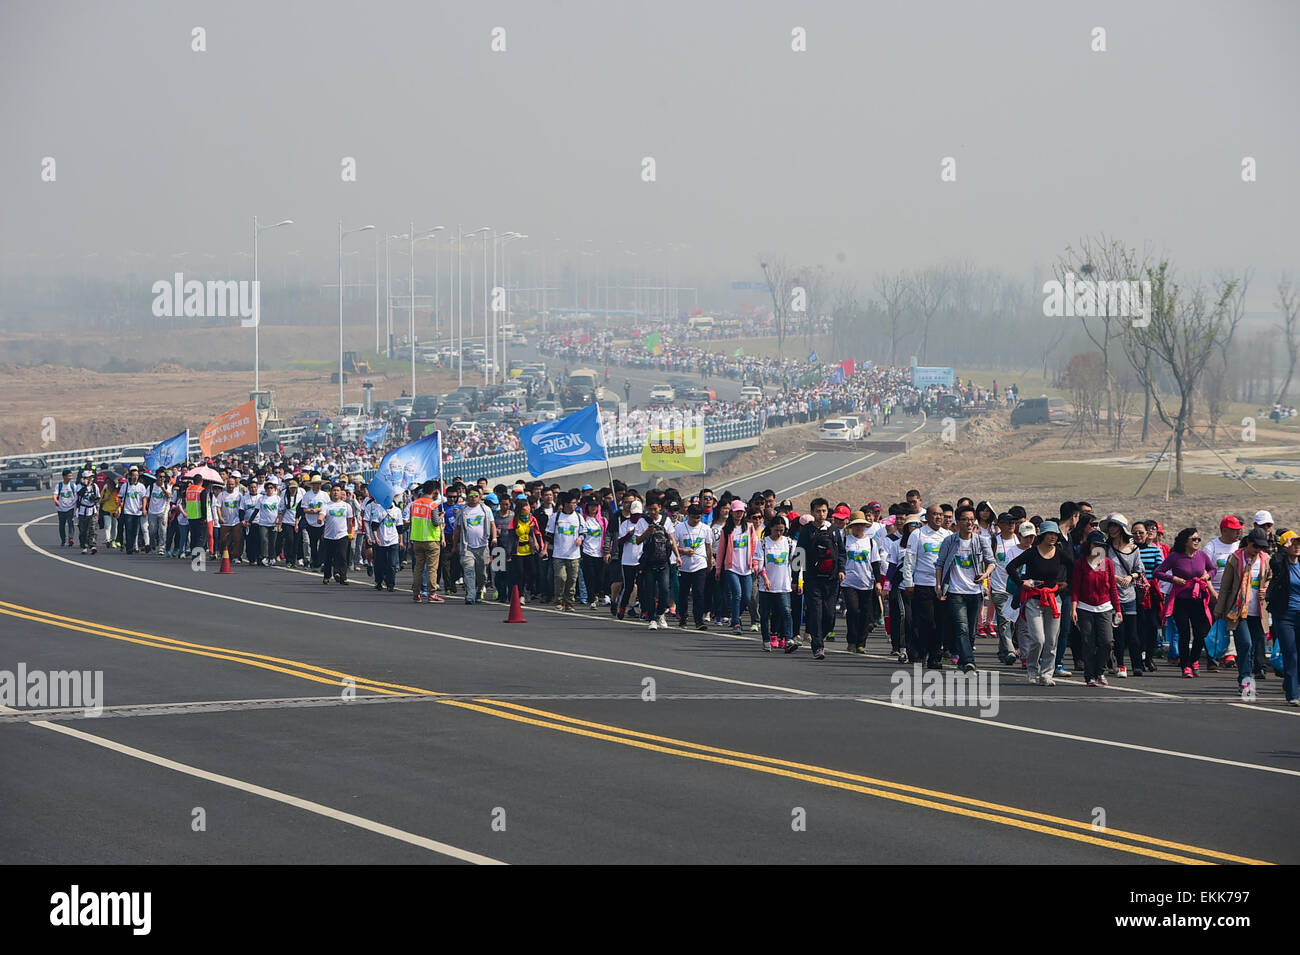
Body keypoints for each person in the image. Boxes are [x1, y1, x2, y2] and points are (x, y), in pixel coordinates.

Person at [1006, 520, 1067, 685]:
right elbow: (1010, 567)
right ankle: (1032, 669)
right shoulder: (1032, 553)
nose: (1053, 537)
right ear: (1043, 535)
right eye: (1050, 534)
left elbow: (1075, 568)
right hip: (1033, 600)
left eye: (1055, 534)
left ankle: (1047, 674)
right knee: (1038, 639)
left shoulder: (1060, 553)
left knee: (1052, 640)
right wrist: (1021, 582)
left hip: (1054, 600)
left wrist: (1066, 583)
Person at [936, 504, 995, 672]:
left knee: (970, 631)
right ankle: (969, 661)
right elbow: (939, 564)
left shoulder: (981, 540)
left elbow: (991, 563)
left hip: (975, 592)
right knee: (961, 626)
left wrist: (985, 575)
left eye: (971, 519)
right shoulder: (949, 540)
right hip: (955, 591)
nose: (969, 523)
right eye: (965, 520)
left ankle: (963, 660)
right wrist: (939, 585)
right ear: (958, 521)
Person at [1154, 528, 1217, 678]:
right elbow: (1158, 572)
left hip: (1199, 598)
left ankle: (1194, 660)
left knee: (1201, 633)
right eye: (1194, 539)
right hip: (1180, 600)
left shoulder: (1201, 555)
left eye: (1198, 539)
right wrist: (1173, 579)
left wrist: (1207, 576)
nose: (1197, 542)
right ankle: (1185, 666)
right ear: (1185, 541)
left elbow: (1212, 569)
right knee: (1184, 633)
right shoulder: (1175, 556)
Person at [1214, 528, 1270, 693]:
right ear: (1249, 543)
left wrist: (1265, 589)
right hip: (1238, 611)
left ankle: (1245, 678)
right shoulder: (1236, 558)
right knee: (1245, 644)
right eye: (1255, 546)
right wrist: (1219, 609)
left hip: (1258, 611)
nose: (1258, 550)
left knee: (1253, 646)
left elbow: (1271, 579)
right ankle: (1246, 681)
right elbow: (1225, 587)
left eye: (1261, 547)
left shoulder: (1265, 559)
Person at [795, 497, 846, 660]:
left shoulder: (834, 530)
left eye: (824, 511)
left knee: (830, 615)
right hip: (813, 579)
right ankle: (818, 646)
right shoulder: (807, 531)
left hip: (831, 580)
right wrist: (796, 579)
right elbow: (798, 555)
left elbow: (842, 552)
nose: (821, 514)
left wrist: (842, 569)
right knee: (816, 612)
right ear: (812, 512)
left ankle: (819, 637)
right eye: (818, 511)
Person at [902, 504, 952, 669]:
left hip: (942, 586)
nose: (938, 517)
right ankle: (920, 653)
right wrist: (909, 582)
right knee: (925, 621)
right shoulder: (918, 534)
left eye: (940, 515)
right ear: (927, 516)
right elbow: (909, 559)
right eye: (935, 514)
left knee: (940, 623)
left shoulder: (948, 535)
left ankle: (935, 656)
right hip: (923, 584)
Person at [1071, 530, 1122, 687]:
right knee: (1088, 642)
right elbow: (1076, 588)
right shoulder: (1081, 563)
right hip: (1085, 607)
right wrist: (1073, 608)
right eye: (1095, 544)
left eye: (1101, 545)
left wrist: (1118, 609)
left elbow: (1112, 587)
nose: (1098, 548)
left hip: (1104, 606)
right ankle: (1090, 676)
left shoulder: (1106, 563)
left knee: (1106, 641)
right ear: (1089, 545)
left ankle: (1100, 671)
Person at [1102, 513, 1143, 678]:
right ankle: (1120, 665)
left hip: (1130, 596)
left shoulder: (1134, 548)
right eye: (1110, 526)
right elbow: (1097, 569)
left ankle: (1137, 665)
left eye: (1115, 526)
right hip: (1111, 596)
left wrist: (1129, 577)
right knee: (1118, 634)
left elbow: (1139, 570)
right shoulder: (1103, 547)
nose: (1112, 529)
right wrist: (1115, 578)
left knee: (1133, 633)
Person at [1263, 530, 1300, 705]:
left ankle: (1289, 683)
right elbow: (1275, 562)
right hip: (1284, 615)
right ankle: (1293, 694)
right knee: (1290, 653)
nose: (1297, 546)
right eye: (1294, 543)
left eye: (1299, 543)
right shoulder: (1281, 563)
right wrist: (1284, 549)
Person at [842, 515, 885, 654]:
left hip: (866, 582)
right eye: (856, 524)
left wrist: (878, 582)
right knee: (853, 610)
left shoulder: (871, 543)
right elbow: (841, 559)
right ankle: (851, 641)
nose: (859, 527)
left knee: (865, 613)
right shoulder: (845, 540)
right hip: (849, 582)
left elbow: (875, 563)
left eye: (861, 524)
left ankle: (861, 643)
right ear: (852, 526)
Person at [715, 500, 757, 637]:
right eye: (736, 511)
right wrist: (718, 569)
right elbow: (721, 550)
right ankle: (737, 623)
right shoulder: (726, 530)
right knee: (737, 594)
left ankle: (735, 616)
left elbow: (755, 547)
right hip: (731, 567)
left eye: (741, 511)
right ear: (732, 512)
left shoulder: (750, 528)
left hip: (747, 568)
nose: (739, 514)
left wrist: (755, 563)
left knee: (747, 596)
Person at [634, 499, 678, 629]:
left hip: (664, 561)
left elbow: (672, 539)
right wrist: (647, 532)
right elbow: (637, 540)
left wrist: (678, 556)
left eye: (655, 509)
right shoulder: (643, 522)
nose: (652, 512)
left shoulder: (666, 521)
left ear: (659, 507)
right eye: (650, 509)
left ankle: (660, 614)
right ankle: (652, 618)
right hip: (649, 562)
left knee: (664, 589)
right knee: (650, 591)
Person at [756, 514, 796, 651]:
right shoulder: (763, 543)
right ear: (771, 528)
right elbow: (760, 565)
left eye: (782, 530)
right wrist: (765, 579)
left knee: (786, 611)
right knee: (765, 613)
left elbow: (797, 564)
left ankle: (789, 639)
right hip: (766, 586)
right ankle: (766, 640)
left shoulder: (790, 543)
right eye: (776, 530)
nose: (779, 533)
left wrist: (798, 582)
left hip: (783, 584)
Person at [673, 503, 712, 630]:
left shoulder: (706, 529)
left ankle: (698, 620)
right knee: (683, 593)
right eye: (693, 517)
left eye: (698, 517)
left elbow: (708, 547)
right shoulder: (679, 528)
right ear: (688, 515)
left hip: (700, 565)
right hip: (684, 566)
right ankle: (683, 617)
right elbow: (673, 546)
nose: (696, 520)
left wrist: (710, 562)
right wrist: (683, 551)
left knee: (699, 593)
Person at [455, 487, 496, 605]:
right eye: (471, 496)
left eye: (476, 496)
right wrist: (455, 545)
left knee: (482, 573)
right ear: (467, 497)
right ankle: (470, 595)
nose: (473, 499)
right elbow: (457, 529)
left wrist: (494, 538)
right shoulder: (462, 511)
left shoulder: (486, 510)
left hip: (482, 546)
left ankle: (479, 590)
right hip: (467, 547)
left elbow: (492, 524)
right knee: (468, 571)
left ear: (480, 497)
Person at [407, 482, 446, 603]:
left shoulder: (414, 504)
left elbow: (412, 522)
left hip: (417, 539)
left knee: (418, 568)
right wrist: (441, 518)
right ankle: (432, 593)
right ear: (434, 491)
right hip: (431, 540)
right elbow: (435, 521)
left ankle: (416, 593)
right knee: (432, 568)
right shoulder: (433, 504)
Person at [547, 493, 584, 612]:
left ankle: (569, 602)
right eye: (571, 503)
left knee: (572, 579)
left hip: (574, 554)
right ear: (565, 504)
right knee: (560, 577)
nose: (573, 506)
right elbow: (549, 535)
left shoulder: (578, 517)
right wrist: (544, 549)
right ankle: (558, 600)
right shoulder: (556, 517)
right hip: (559, 553)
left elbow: (584, 532)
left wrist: (580, 539)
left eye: (575, 503)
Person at [366, 492, 403, 593]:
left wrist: (401, 541)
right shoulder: (378, 510)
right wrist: (376, 538)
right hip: (380, 540)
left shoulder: (397, 511)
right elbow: (374, 526)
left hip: (393, 540)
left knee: (392, 563)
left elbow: (399, 527)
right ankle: (378, 582)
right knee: (379, 563)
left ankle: (391, 584)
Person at [321, 483, 355, 585]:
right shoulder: (327, 505)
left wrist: (350, 533)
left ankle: (343, 577)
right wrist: (320, 519)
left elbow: (350, 522)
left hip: (342, 535)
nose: (335, 492)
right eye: (334, 490)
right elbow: (322, 515)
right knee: (328, 558)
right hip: (329, 535)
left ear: (341, 493)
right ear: (331, 492)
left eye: (337, 490)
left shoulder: (346, 506)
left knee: (342, 557)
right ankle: (327, 576)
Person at [74, 470, 101, 555]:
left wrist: (94, 500)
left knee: (93, 528)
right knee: (83, 530)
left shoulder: (94, 486)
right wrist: (85, 486)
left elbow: (98, 498)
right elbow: (79, 494)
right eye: (88, 478)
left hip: (92, 510)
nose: (90, 479)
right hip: (82, 511)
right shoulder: (79, 486)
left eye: (91, 477)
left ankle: (92, 545)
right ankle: (84, 546)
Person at [53, 469, 77, 547]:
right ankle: (63, 540)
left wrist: (75, 506)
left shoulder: (73, 486)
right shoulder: (59, 485)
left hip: (70, 507)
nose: (70, 477)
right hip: (61, 508)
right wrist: (55, 500)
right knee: (62, 525)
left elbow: (77, 496)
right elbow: (55, 494)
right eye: (69, 476)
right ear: (64, 477)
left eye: (71, 476)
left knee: (71, 523)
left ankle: (71, 539)